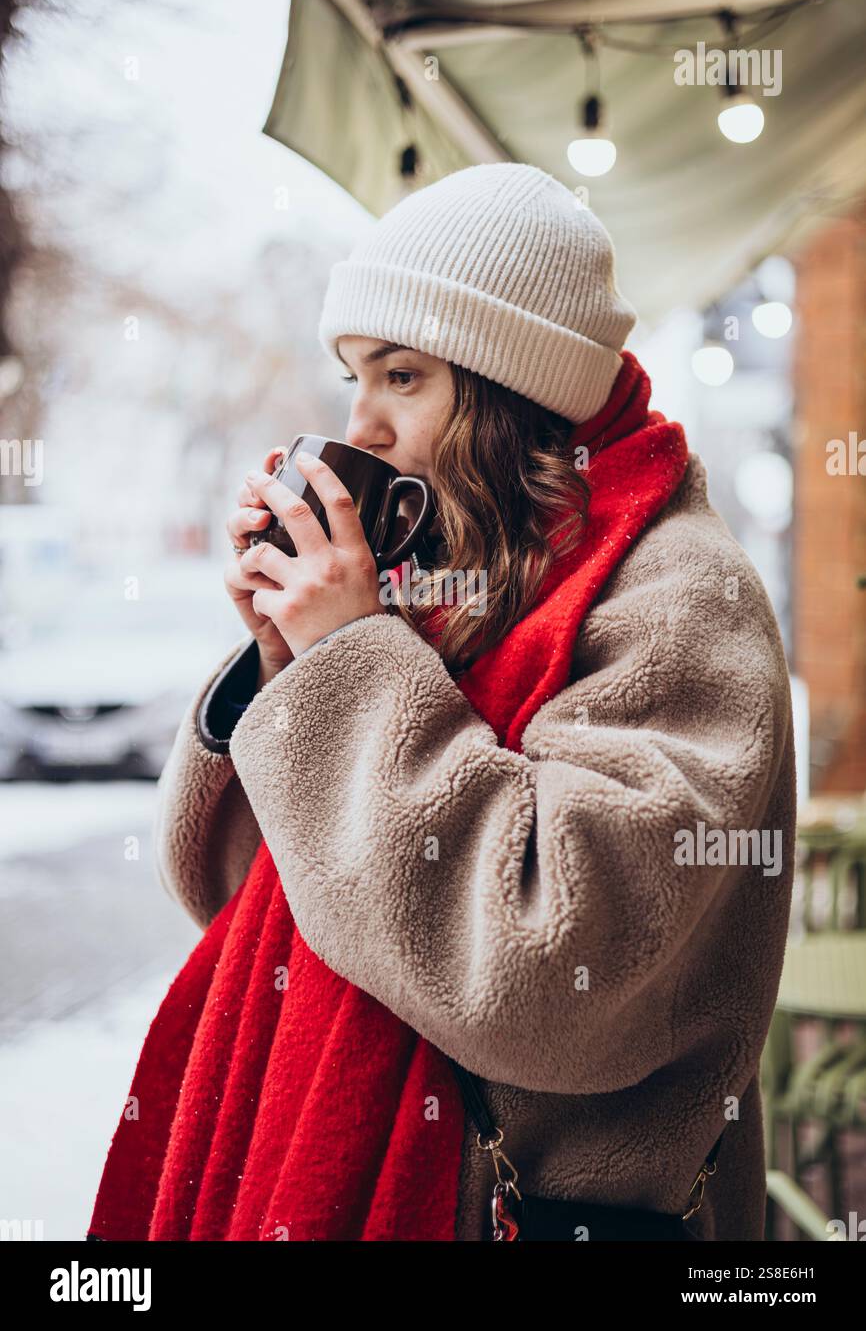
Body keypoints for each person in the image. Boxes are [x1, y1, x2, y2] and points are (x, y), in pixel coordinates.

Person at [88, 162, 795, 1243]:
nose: (359, 424)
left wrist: (347, 662)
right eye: (352, 377)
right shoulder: (448, 575)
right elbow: (245, 891)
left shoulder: (677, 599)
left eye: (401, 377)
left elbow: (544, 971)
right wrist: (289, 659)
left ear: (513, 391)